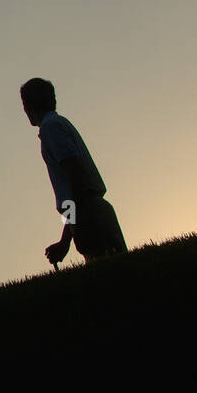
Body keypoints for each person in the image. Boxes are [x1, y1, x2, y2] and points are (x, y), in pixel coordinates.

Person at [20, 78, 127, 266]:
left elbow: (76, 178)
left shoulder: (50, 128)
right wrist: (67, 235)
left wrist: (69, 233)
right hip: (94, 210)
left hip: (89, 214)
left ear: (29, 105)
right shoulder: (59, 123)